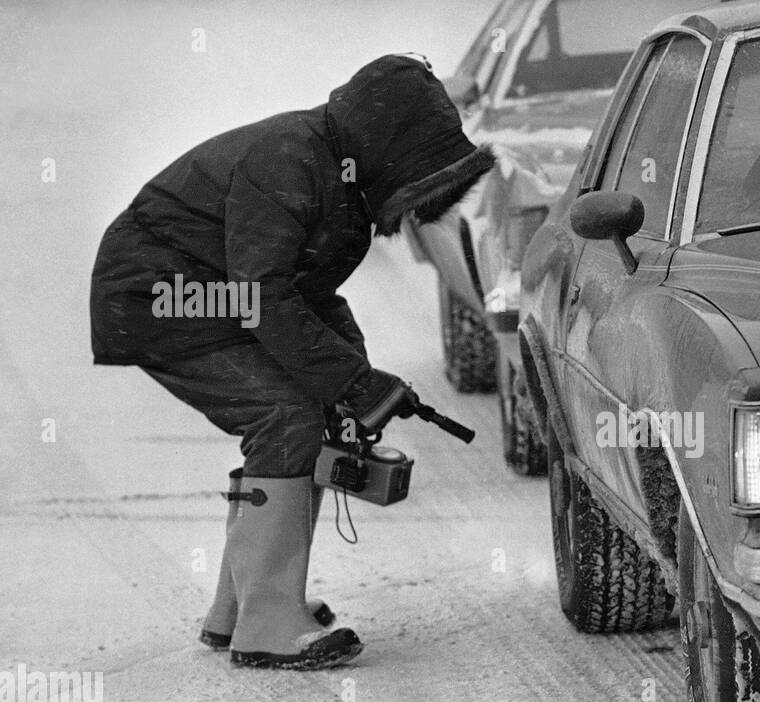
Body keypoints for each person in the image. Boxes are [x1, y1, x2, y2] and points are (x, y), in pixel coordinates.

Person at [89, 54, 495, 669]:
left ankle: (241, 610)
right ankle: (270, 621)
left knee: (300, 414)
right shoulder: (287, 162)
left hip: (214, 297)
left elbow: (309, 296)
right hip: (162, 297)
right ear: (389, 149)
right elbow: (264, 298)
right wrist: (354, 384)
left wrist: (358, 382)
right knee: (285, 416)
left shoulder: (344, 185)